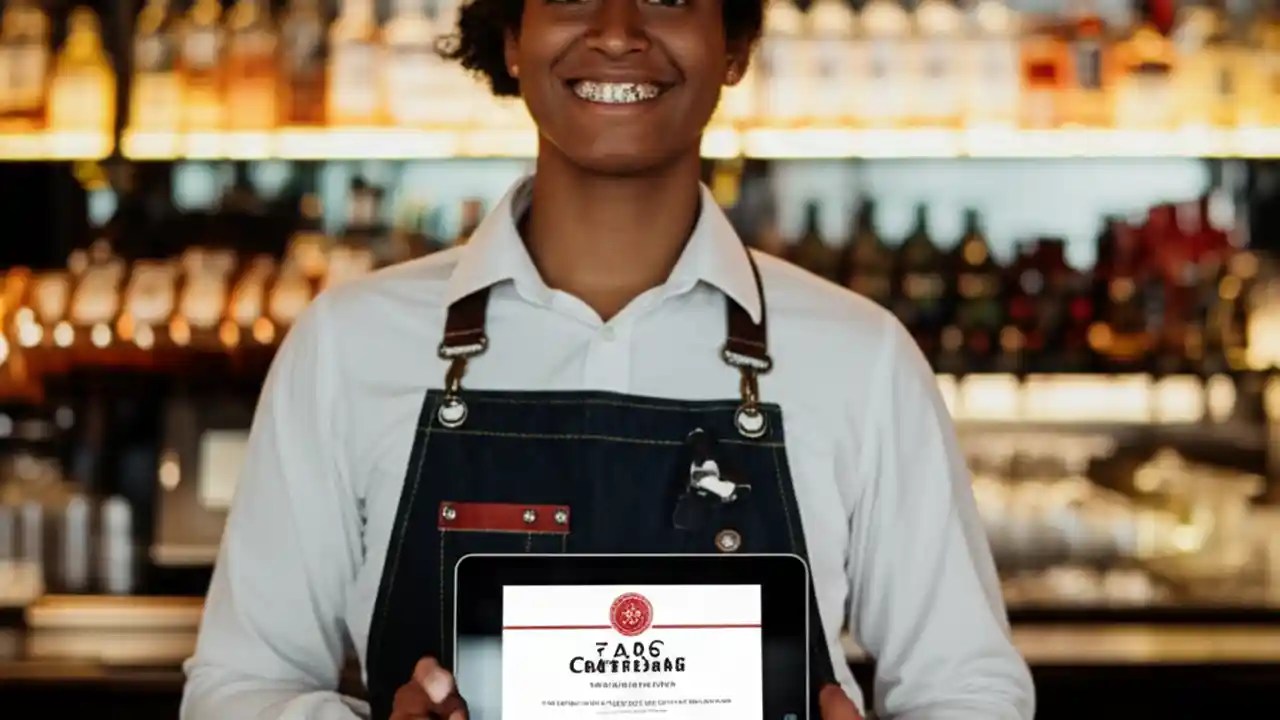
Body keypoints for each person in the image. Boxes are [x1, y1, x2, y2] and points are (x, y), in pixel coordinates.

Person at [181, 1, 1035, 719]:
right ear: (512, 39)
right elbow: (239, 685)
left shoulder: (860, 356)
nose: (619, 30)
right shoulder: (348, 344)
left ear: (733, 47)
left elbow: (969, 684)